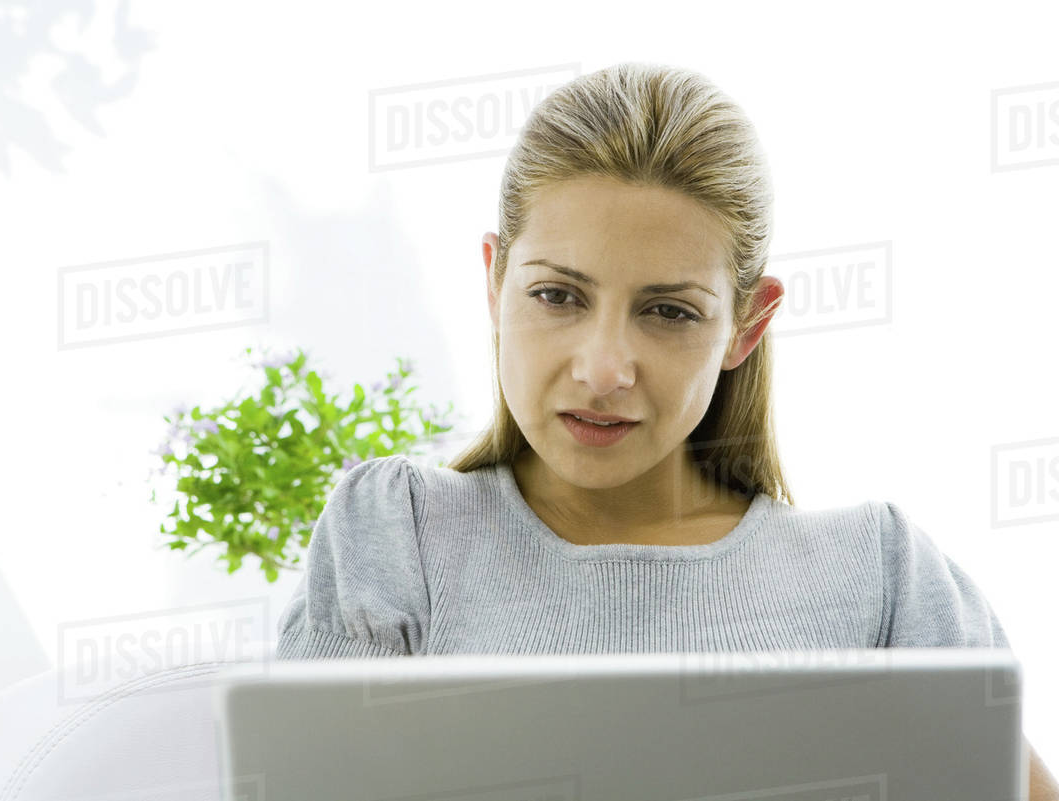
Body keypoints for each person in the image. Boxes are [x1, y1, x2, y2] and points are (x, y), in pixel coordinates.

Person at [275, 62, 1057, 795]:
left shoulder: (881, 579)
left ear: (747, 325)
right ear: (494, 280)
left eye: (670, 312)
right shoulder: (397, 538)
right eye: (557, 296)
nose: (603, 369)